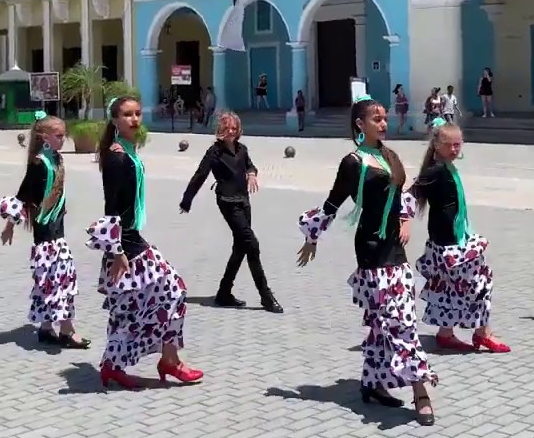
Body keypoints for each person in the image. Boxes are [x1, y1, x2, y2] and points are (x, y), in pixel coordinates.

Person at [296, 95, 437, 426]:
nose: (384, 123)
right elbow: (333, 203)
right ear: (360, 125)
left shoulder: (388, 155)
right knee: (400, 320)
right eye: (377, 119)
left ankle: (373, 384)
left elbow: (401, 195)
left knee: (382, 322)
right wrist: (311, 236)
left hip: (395, 248)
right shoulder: (352, 162)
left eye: (385, 118)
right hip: (372, 250)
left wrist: (404, 221)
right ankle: (421, 392)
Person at [87, 95, 202, 389]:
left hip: (131, 238)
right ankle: (160, 361)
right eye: (127, 114)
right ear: (114, 120)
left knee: (140, 303)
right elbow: (111, 207)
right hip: (125, 244)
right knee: (170, 291)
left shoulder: (127, 150)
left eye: (137, 113)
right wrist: (117, 252)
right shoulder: (117, 156)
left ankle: (150, 361)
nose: (135, 119)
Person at [412, 118, 510, 353]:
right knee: (480, 282)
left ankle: (446, 333)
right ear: (437, 145)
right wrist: (399, 222)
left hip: (453, 240)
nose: (455, 149)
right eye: (450, 145)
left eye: (458, 144)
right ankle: (483, 333)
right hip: (449, 245)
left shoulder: (447, 168)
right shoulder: (436, 171)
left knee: (449, 288)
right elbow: (410, 195)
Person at [0, 111, 90, 349]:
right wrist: (10, 225)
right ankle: (67, 330)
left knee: (51, 280)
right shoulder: (39, 163)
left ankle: (47, 327)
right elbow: (23, 194)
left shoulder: (57, 159)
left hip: (57, 228)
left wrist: (62, 206)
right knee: (62, 280)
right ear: (44, 136)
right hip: (47, 235)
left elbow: (56, 190)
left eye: (64, 135)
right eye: (58, 135)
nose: (62, 139)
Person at [180, 111, 282, 313]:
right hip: (227, 202)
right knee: (251, 245)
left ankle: (224, 293)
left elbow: (250, 165)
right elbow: (200, 175)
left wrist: (252, 174)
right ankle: (266, 296)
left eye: (234, 128)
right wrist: (187, 200)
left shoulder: (242, 149)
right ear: (220, 130)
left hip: (244, 201)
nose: (230, 132)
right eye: (226, 128)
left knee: (240, 248)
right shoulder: (214, 152)